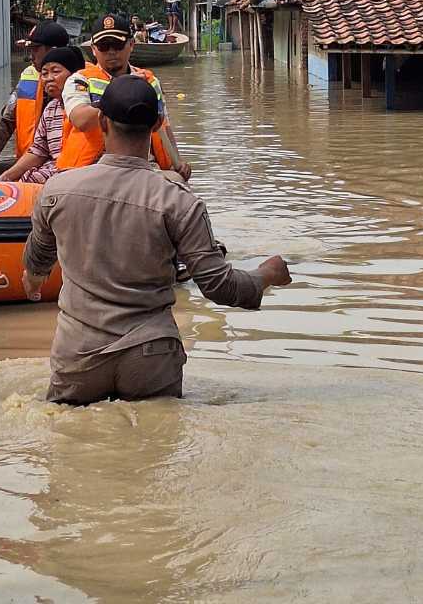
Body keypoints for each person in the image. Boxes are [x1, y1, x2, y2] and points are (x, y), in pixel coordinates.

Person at [22, 74, 292, 404]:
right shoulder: (178, 199)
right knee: (158, 448)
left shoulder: (57, 191)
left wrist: (33, 284)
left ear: (102, 123)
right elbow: (219, 286)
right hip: (150, 356)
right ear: (156, 124)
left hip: (78, 355)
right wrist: (267, 274)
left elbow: (37, 262)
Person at [58, 13, 191, 181]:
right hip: (90, 169)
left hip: (143, 168)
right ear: (93, 49)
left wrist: (176, 162)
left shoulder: (150, 82)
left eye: (118, 44)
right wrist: (123, 93)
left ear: (131, 44)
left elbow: (164, 126)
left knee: (177, 181)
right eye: (104, 46)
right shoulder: (79, 80)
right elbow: (81, 120)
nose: (111, 52)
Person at [0, 19, 69, 180]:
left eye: (35, 49)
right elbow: (6, 122)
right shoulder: (28, 77)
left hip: (63, 168)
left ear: (53, 51)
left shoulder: (80, 82)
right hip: (28, 161)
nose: (31, 56)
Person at [1, 45, 86, 184]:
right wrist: (6, 177)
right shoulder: (51, 109)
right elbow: (38, 151)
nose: (48, 78)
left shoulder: (88, 108)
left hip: (77, 177)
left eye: (56, 71)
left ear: (74, 76)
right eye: (44, 73)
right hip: (50, 174)